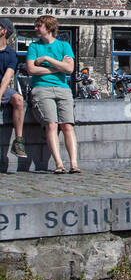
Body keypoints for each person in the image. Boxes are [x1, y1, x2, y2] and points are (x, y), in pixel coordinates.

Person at [25, 15, 80, 174]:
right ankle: (59, 164)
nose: (35, 28)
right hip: (41, 88)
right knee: (52, 124)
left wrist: (47, 59)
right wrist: (58, 67)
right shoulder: (34, 47)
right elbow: (31, 70)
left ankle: (74, 164)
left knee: (68, 125)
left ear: (48, 28)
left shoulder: (64, 46)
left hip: (63, 88)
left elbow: (70, 69)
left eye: (38, 26)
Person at [0, 17, 26, 160]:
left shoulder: (11, 55)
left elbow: (7, 78)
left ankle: (19, 141)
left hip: (1, 88)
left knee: (18, 98)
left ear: (3, 31)